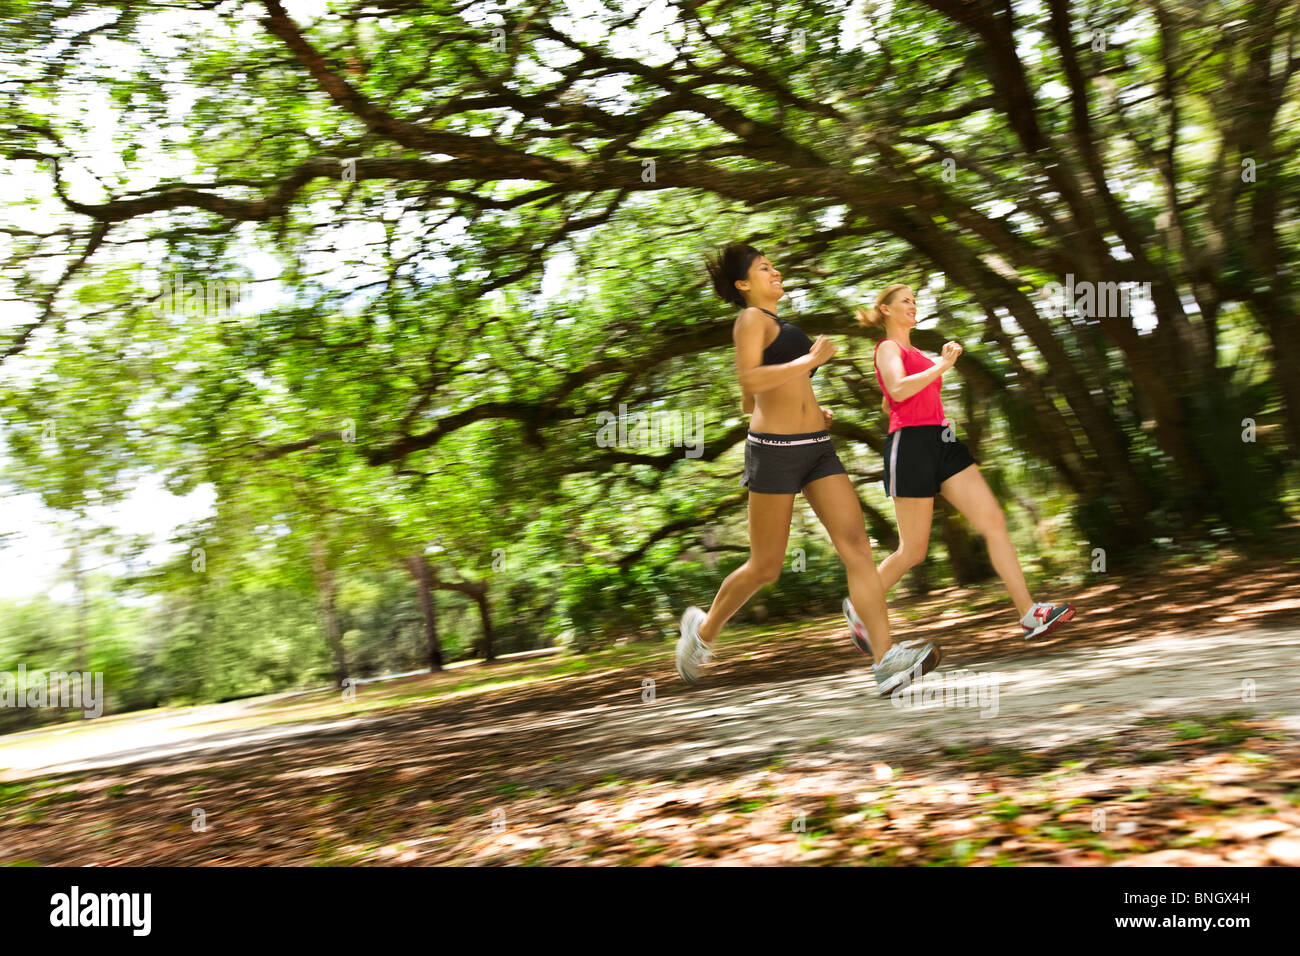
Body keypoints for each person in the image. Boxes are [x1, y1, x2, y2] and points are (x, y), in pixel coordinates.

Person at [676, 247, 940, 697]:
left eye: (773, 266)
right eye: (763, 268)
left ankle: (886, 661)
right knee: (765, 566)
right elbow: (750, 381)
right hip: (774, 453)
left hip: (816, 447)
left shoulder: (783, 327)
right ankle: (701, 633)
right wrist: (810, 362)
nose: (775, 271)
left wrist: (813, 408)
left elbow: (759, 395)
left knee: (857, 545)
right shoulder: (750, 321)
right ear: (743, 285)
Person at [842, 283, 1075, 653]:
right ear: (886, 310)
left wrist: (930, 373)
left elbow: (892, 401)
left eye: (914, 301)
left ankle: (1029, 613)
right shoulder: (888, 347)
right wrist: (942, 365)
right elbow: (898, 391)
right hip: (912, 445)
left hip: (943, 442)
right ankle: (859, 605)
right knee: (913, 551)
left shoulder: (916, 352)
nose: (913, 306)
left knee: (993, 522)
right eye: (905, 301)